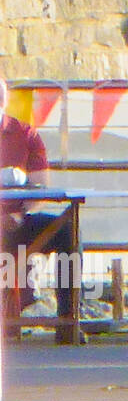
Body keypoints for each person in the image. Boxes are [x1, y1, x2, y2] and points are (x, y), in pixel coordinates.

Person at [0, 76, 76, 340]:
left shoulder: (25, 133)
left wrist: (19, 214)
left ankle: (67, 321)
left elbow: (41, 185)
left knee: (67, 230)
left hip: (16, 223)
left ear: (6, 98)